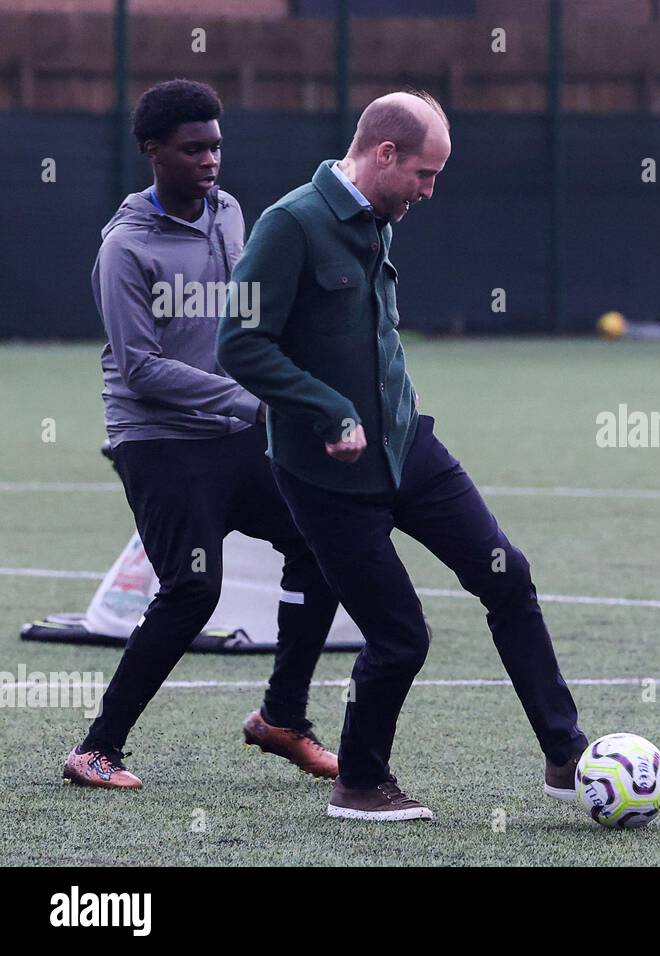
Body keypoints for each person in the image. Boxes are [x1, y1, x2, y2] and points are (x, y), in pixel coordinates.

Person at [217, 90, 587, 822]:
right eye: (424, 172)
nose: (430, 189)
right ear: (383, 154)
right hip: (326, 478)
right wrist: (326, 408)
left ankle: (566, 754)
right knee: (400, 637)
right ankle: (359, 784)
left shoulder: (380, 217)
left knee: (506, 575)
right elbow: (239, 343)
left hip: (409, 447)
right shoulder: (290, 225)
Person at [67, 79, 341, 791]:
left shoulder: (229, 213)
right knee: (193, 590)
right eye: (193, 149)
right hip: (158, 440)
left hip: (234, 428)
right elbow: (140, 367)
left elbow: (242, 324)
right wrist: (251, 405)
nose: (210, 160)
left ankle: (283, 718)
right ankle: (96, 749)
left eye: (216, 145)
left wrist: (283, 380)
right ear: (154, 152)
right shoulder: (125, 249)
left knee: (320, 544)